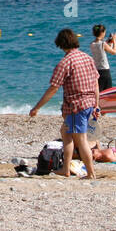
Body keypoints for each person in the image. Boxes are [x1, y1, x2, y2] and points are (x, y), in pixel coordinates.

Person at [28, 28, 100, 179]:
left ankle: (91, 173)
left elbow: (53, 88)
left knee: (81, 140)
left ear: (61, 44)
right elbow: (95, 83)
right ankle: (65, 169)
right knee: (65, 133)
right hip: (88, 104)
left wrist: (37, 108)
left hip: (76, 107)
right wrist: (96, 104)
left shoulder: (65, 62)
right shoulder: (88, 58)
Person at [89, 24, 116, 92]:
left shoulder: (92, 44)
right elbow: (114, 52)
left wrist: (109, 42)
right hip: (105, 71)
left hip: (97, 71)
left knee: (100, 93)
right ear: (102, 33)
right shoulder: (103, 44)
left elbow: (102, 47)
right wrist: (114, 41)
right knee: (108, 92)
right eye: (104, 32)